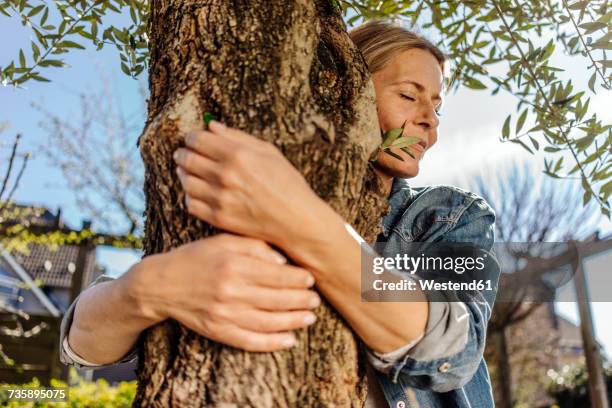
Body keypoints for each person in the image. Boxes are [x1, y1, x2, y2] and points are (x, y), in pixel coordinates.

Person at [60, 19, 499, 407]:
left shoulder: (449, 214)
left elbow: (454, 346)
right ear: (349, 92)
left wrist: (301, 221)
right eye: (409, 95)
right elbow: (80, 345)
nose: (430, 121)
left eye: (437, 108)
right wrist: (147, 289)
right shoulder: (248, 186)